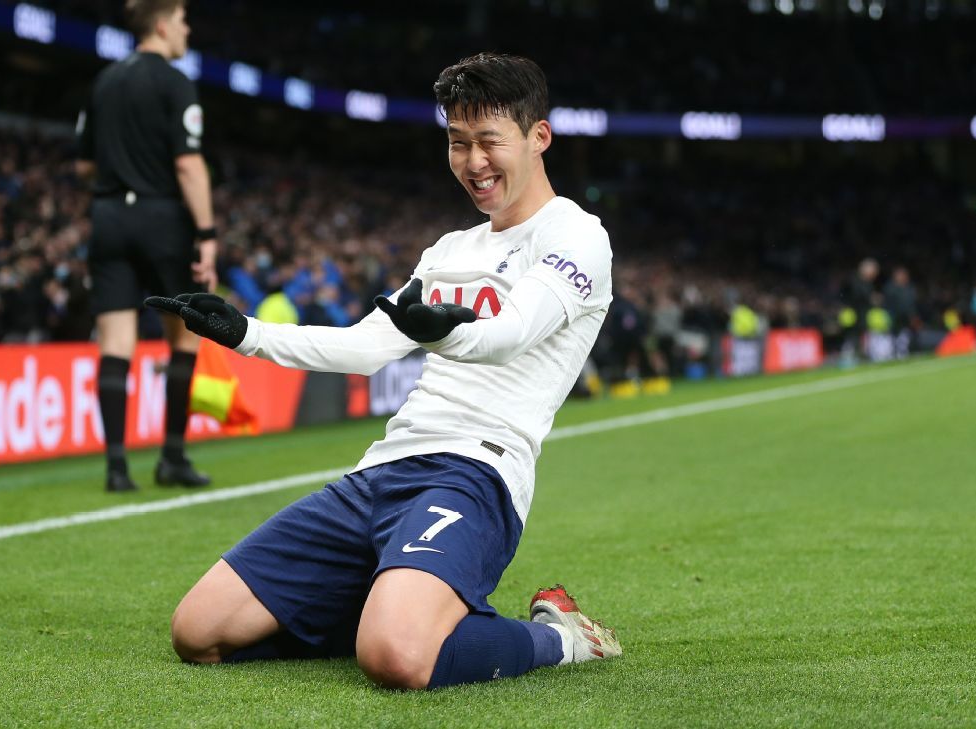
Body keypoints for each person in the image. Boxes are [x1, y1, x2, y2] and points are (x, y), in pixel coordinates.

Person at [148, 53, 621, 690]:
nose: (473, 162)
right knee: (199, 633)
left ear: (539, 137)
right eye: (457, 142)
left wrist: (449, 330)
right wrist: (245, 332)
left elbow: (511, 335)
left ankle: (559, 637)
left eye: (489, 141)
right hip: (382, 470)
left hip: (477, 473)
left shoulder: (577, 234)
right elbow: (364, 349)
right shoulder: (449, 250)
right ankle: (389, 605)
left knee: (396, 659)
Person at [75, 0, 218, 492]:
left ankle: (116, 468)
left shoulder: (105, 81)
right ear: (162, 24)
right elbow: (188, 164)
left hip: (108, 217)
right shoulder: (175, 81)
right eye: (182, 19)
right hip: (161, 218)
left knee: (116, 343)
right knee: (183, 337)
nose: (187, 28)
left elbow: (83, 164)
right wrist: (207, 235)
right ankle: (171, 458)